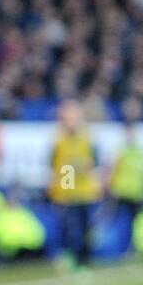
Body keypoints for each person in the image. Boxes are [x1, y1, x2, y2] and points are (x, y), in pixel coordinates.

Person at [48, 100, 101, 267]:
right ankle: (73, 258)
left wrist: (82, 168)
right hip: (70, 193)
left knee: (86, 229)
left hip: (85, 191)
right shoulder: (60, 141)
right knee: (71, 230)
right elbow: (60, 166)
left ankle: (86, 259)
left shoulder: (86, 139)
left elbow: (93, 162)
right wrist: (64, 190)